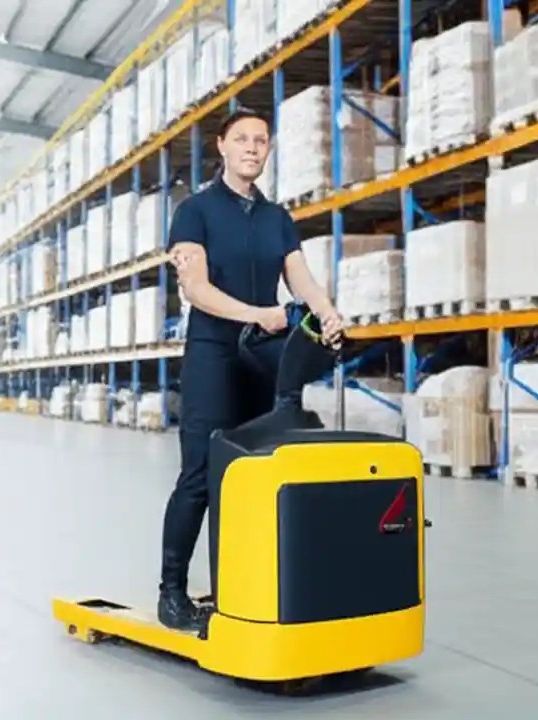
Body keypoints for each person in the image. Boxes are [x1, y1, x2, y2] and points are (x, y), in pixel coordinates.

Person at [157, 106, 345, 631]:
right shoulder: (194, 211)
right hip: (213, 353)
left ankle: (233, 587)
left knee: (251, 475)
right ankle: (170, 591)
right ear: (221, 146)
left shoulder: (276, 217)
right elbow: (195, 289)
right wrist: (257, 314)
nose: (252, 148)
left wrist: (325, 311)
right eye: (241, 139)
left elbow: (300, 278)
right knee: (199, 474)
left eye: (261, 141)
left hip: (261, 360)